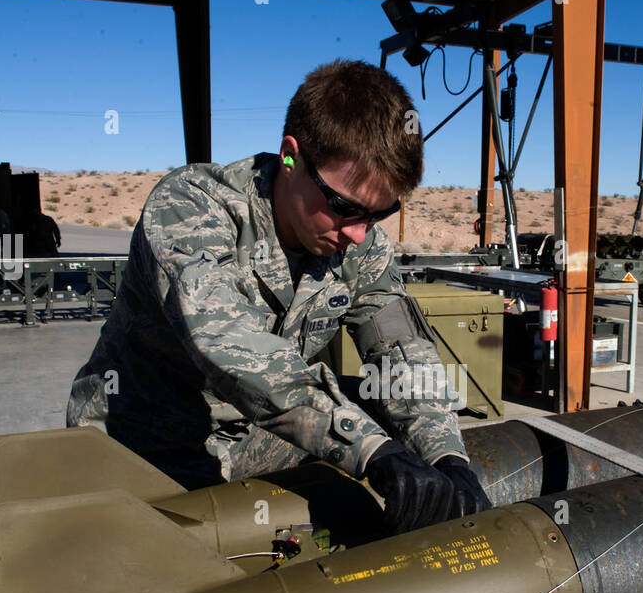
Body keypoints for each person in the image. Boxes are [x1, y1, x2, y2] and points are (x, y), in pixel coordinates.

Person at [67, 59, 490, 534]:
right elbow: (234, 350)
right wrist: (371, 451)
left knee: (392, 413)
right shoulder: (191, 207)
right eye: (344, 207)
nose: (357, 232)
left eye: (379, 213)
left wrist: (446, 455)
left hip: (254, 439)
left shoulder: (361, 245)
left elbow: (401, 349)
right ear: (291, 155)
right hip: (146, 447)